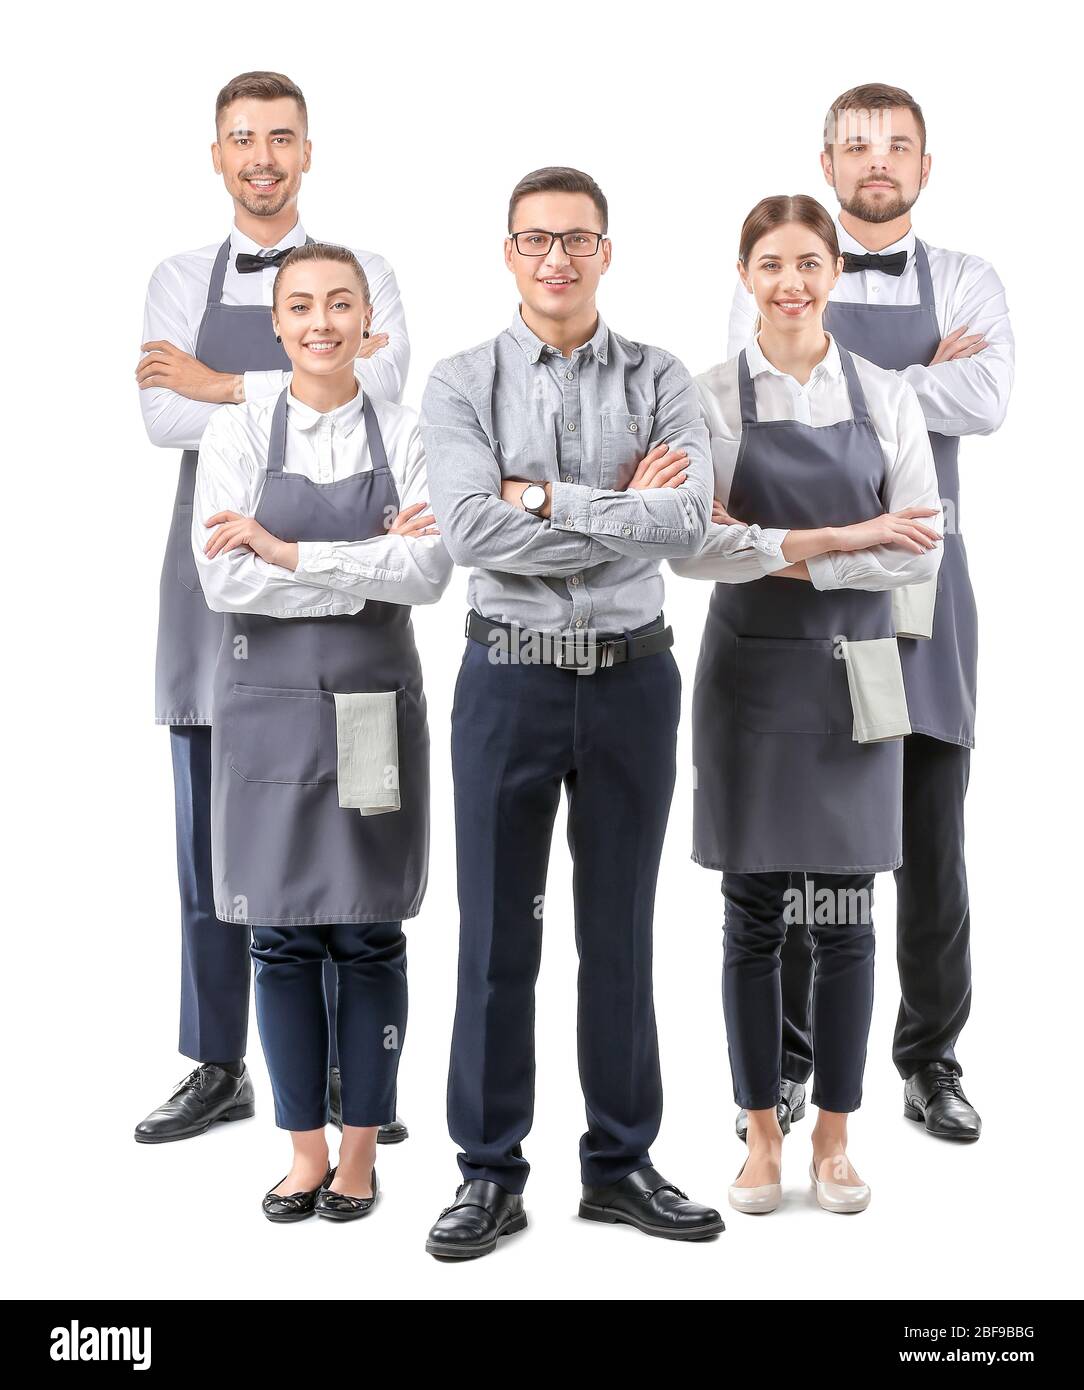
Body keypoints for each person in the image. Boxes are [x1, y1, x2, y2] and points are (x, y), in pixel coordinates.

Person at [420, 166, 724, 1260]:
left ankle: (620, 1163)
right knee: (497, 937)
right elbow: (463, 528)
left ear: (607, 250)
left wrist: (538, 496)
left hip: (634, 679)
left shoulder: (661, 377)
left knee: (621, 935)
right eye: (535, 238)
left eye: (577, 238)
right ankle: (487, 1172)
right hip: (506, 679)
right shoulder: (460, 383)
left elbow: (685, 523)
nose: (557, 257)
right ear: (508, 252)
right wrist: (617, 514)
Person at [727, 84, 1014, 1144]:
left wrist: (851, 378)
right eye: (855, 147)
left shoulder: (969, 279)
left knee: (931, 834)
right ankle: (796, 1058)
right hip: (806, 591)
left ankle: (929, 1058)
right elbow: (766, 400)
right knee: (812, 831)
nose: (875, 162)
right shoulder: (778, 270)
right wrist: (911, 379)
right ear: (827, 161)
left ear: (924, 166)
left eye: (896, 146)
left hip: (925, 587)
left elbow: (987, 400)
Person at [134, 71, 410, 1145]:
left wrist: (221, 382)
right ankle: (218, 1061)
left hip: (348, 600)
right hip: (212, 581)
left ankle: (354, 1082)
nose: (261, 156)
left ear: (307, 152)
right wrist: (277, 380)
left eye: (279, 138)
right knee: (214, 834)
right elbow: (162, 417)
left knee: (353, 826)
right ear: (217, 155)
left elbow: (384, 396)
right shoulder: (174, 275)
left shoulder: (367, 271)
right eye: (241, 139)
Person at [672, 195, 943, 1214]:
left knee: (845, 917)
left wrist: (771, 544)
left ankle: (834, 1136)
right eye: (771, 262)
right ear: (744, 273)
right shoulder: (707, 400)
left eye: (809, 262)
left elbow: (920, 537)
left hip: (857, 678)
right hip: (749, 680)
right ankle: (758, 1134)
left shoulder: (886, 393)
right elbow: (691, 547)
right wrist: (841, 538)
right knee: (750, 915)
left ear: (833, 272)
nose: (791, 281)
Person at [193, 243, 450, 1219]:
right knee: (281, 939)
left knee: (366, 931)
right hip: (264, 719)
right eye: (300, 305)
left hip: (370, 715)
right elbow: (224, 580)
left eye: (340, 304)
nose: (320, 323)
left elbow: (427, 574)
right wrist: (364, 560)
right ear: (276, 321)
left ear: (367, 320)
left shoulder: (411, 430)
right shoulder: (236, 433)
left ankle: (358, 1151)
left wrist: (288, 549)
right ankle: (303, 1150)